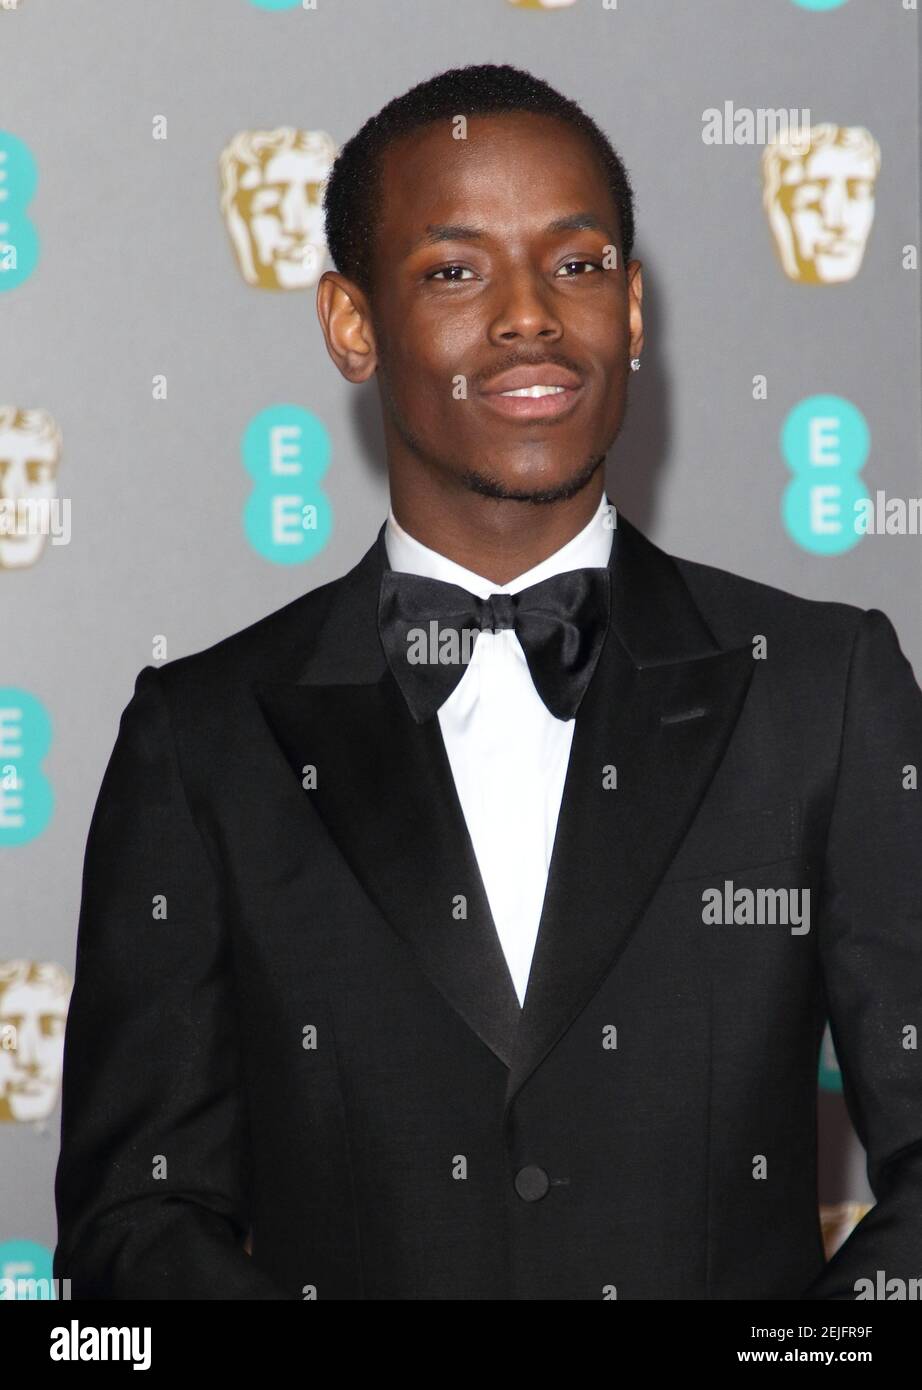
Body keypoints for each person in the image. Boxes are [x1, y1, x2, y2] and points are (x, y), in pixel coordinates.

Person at [54, 63, 922, 1300]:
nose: (530, 316)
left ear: (632, 308)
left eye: (576, 264)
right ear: (353, 325)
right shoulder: (204, 741)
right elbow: (137, 1222)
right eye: (455, 271)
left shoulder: (824, 693)